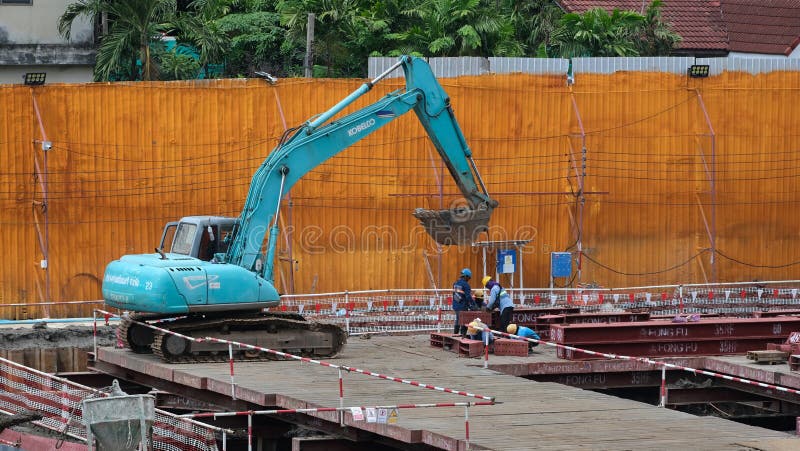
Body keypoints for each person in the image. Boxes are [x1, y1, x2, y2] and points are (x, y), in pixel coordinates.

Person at [452, 268, 476, 335]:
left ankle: (455, 334)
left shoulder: (455, 283)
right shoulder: (466, 285)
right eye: (469, 278)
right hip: (462, 306)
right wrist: (474, 305)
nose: (469, 280)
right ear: (466, 276)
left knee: (458, 319)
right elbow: (468, 297)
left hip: (455, 305)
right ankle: (463, 335)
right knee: (464, 321)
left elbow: (454, 294)